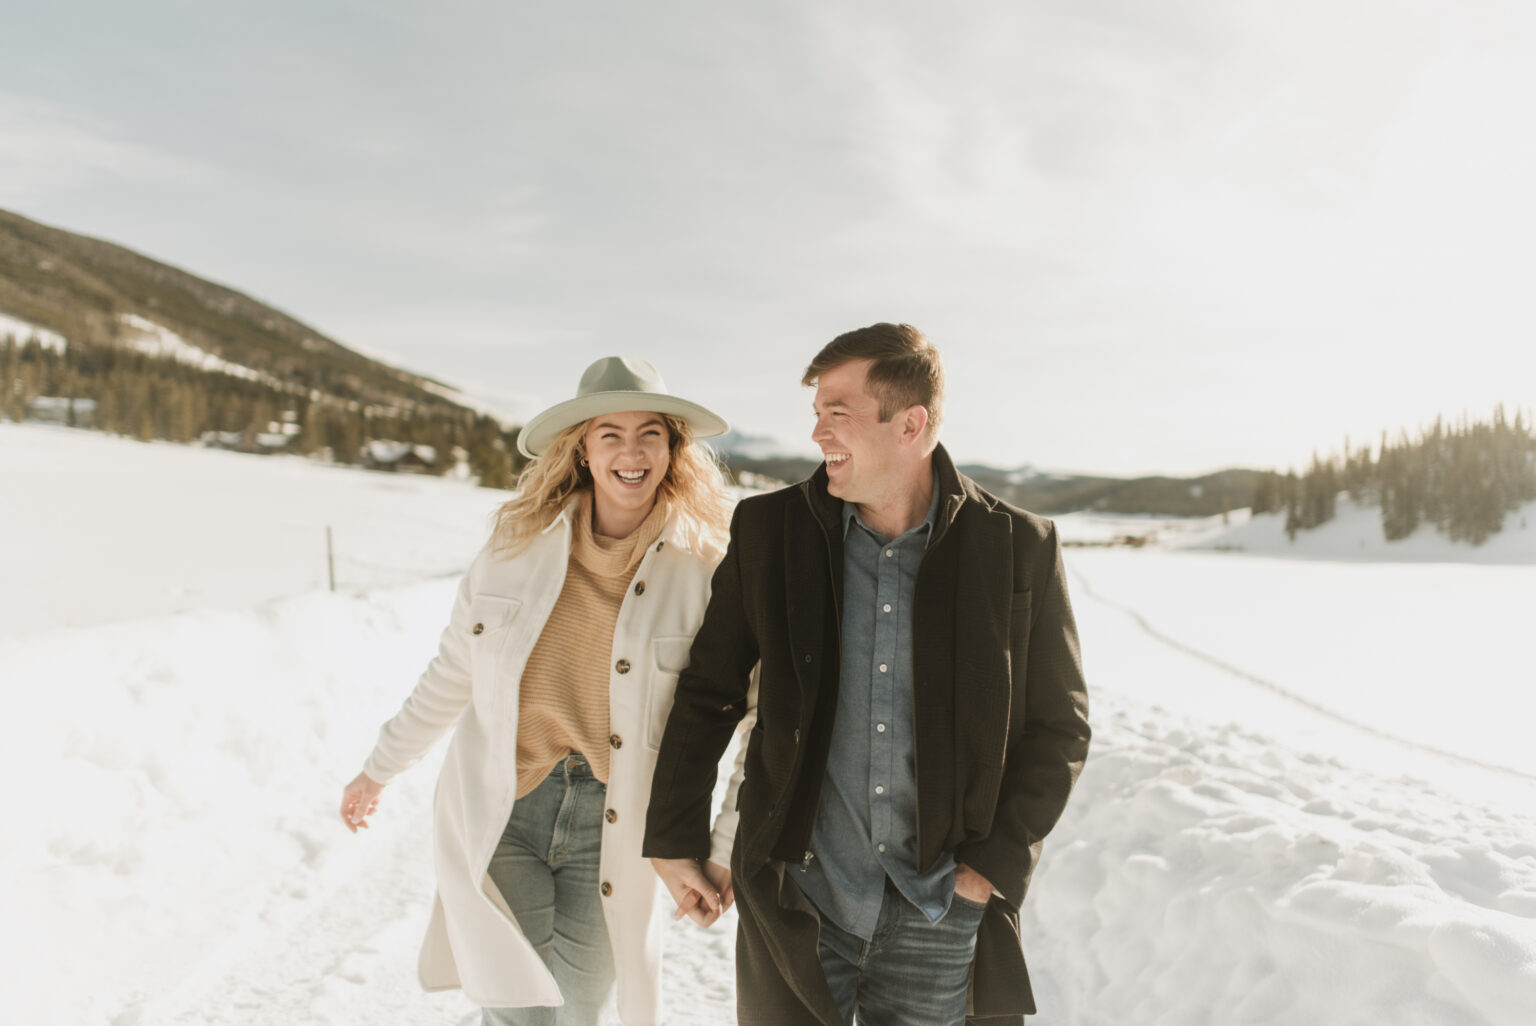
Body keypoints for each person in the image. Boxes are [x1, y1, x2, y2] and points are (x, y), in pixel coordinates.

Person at [643, 323, 1091, 1026]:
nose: (818, 433)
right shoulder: (771, 530)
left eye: (837, 413)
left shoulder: (1016, 547)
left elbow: (1059, 726)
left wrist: (987, 874)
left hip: (940, 910)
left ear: (910, 424)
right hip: (800, 898)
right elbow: (711, 690)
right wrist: (673, 835)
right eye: (817, 412)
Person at [339, 356, 754, 1026]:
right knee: (518, 1006)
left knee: (584, 1007)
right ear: (582, 450)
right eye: (610, 434)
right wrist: (379, 768)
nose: (631, 451)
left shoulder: (709, 570)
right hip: (507, 807)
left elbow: (758, 719)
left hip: (617, 820)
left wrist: (726, 846)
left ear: (674, 450)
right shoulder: (515, 544)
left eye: (650, 433)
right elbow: (454, 671)